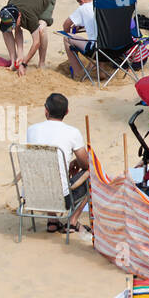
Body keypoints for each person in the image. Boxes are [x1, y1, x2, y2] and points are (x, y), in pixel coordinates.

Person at [26, 93, 90, 221]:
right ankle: (72, 222)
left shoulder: (31, 130)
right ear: (67, 112)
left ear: (46, 110)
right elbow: (86, 165)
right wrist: (76, 161)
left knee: (45, 170)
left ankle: (53, 221)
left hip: (33, 197)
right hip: (61, 201)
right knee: (93, 173)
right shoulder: (72, 132)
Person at [0, 0, 56, 75]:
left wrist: (24, 64)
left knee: (41, 28)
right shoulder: (9, 10)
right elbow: (18, 30)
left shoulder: (29, 16)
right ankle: (13, 61)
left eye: (13, 24)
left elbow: (36, 42)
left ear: (19, 16)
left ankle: (41, 63)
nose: (12, 28)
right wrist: (20, 56)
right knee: (6, 30)